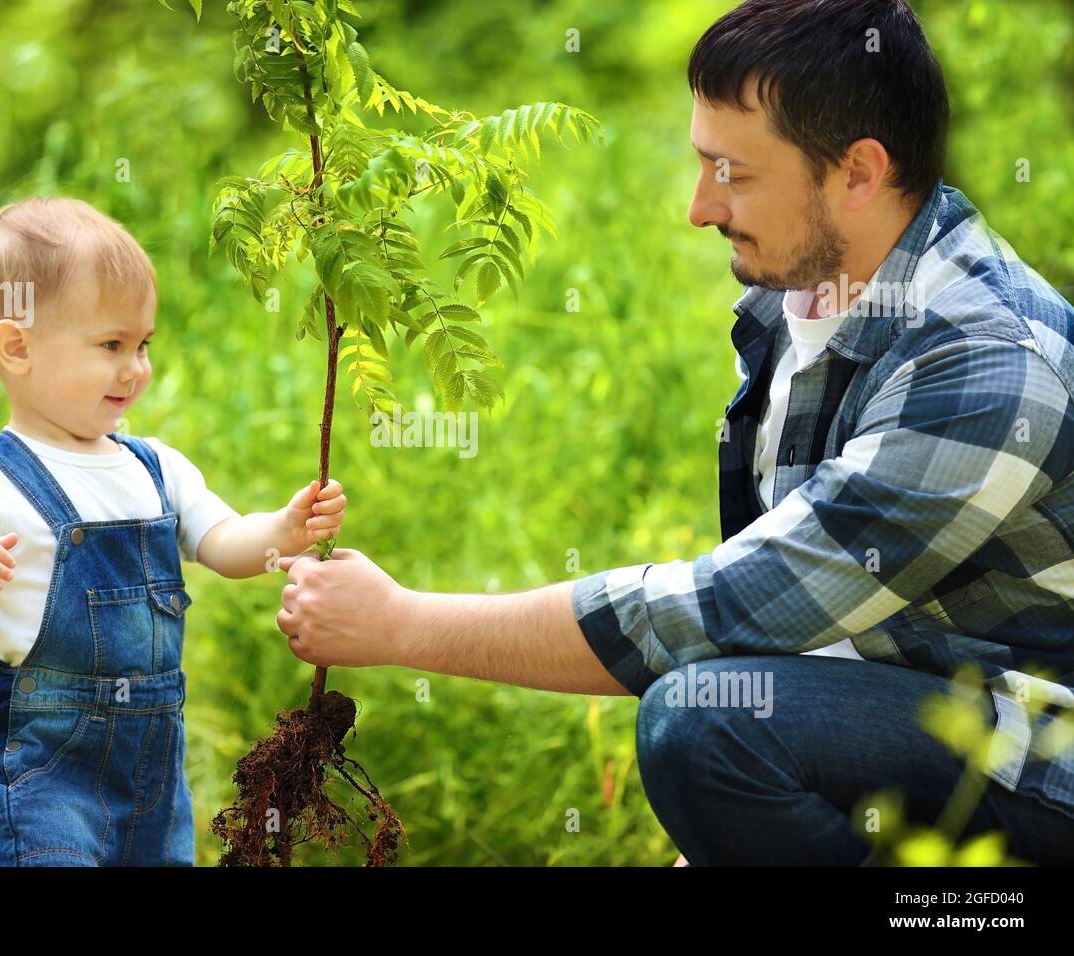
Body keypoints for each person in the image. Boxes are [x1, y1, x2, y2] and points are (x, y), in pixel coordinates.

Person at [275, 0, 1074, 865]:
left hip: (1044, 754)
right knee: (716, 713)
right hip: (922, 706)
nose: (698, 208)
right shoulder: (803, 296)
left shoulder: (986, 363)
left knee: (705, 723)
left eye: (732, 173)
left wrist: (404, 627)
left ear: (858, 172)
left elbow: (735, 606)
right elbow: (788, 617)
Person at [0, 197, 346, 865]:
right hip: (42, 777)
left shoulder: (155, 467)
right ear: (17, 347)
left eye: (143, 345)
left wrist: (284, 528)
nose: (135, 368)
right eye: (111, 345)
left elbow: (225, 544)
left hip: (152, 782)